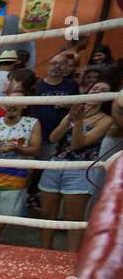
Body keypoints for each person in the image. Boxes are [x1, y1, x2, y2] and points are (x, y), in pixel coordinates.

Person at [42, 81, 112, 252]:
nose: (98, 91)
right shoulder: (74, 111)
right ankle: (44, 252)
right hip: (56, 163)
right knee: (46, 213)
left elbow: (77, 145)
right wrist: (70, 118)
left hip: (80, 168)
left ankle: (72, 258)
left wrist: (79, 121)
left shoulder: (105, 119)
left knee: (73, 217)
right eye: (95, 88)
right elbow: (53, 137)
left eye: (104, 91)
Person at [0, 82, 42, 242]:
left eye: (17, 102)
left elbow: (35, 149)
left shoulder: (32, 123)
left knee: (4, 218)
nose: (12, 105)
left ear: (24, 105)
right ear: (3, 104)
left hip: (16, 178)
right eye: (9, 101)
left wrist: (18, 148)